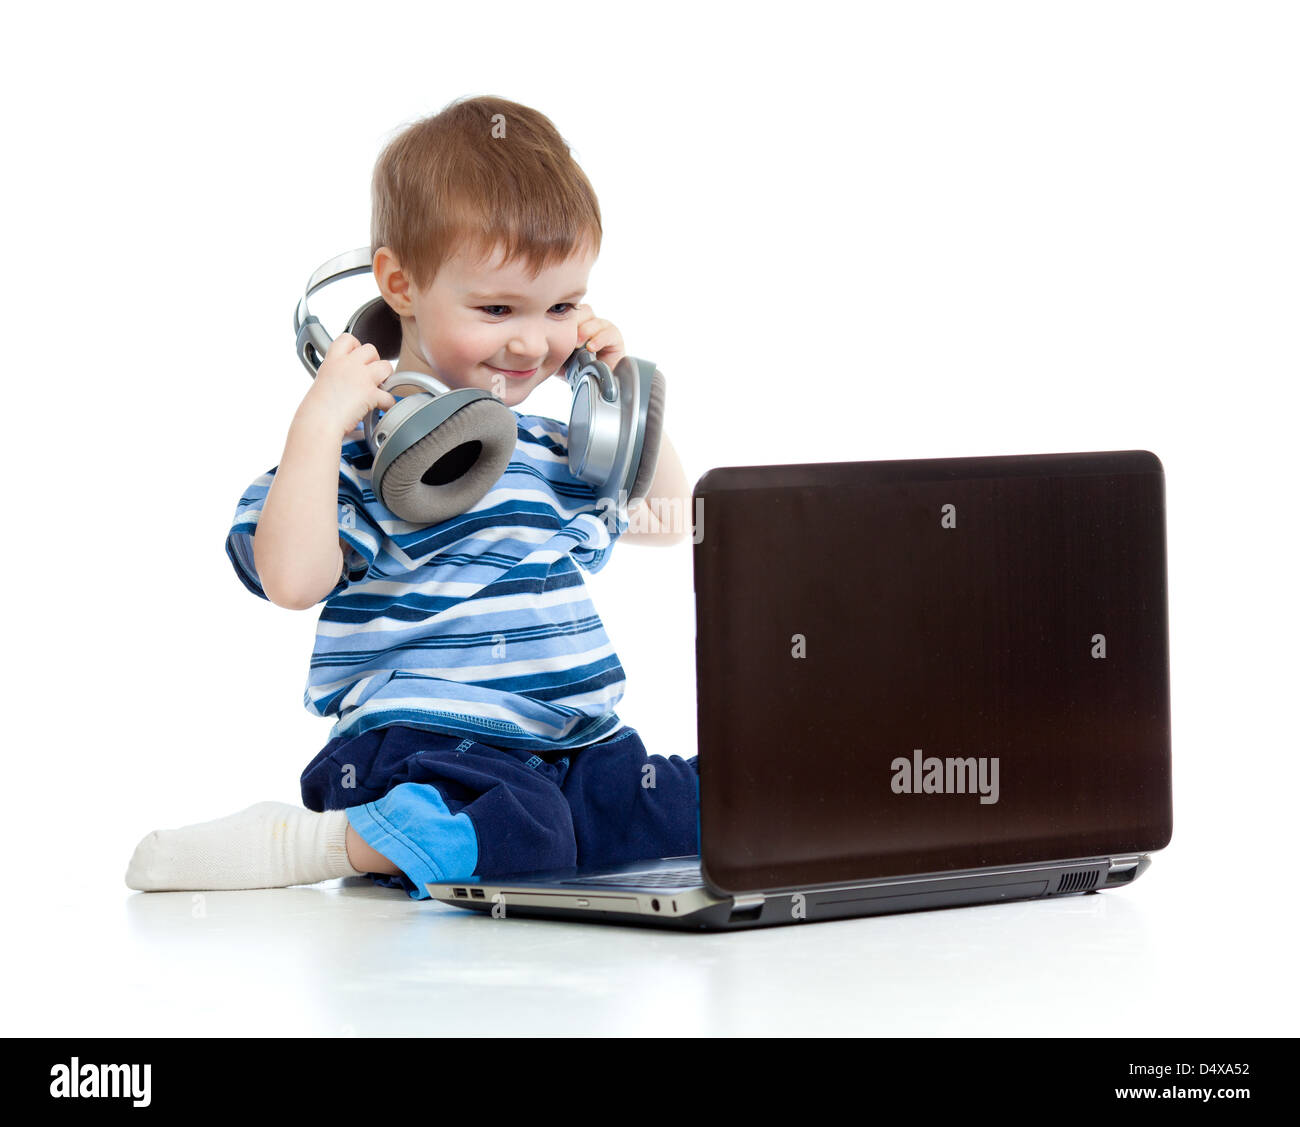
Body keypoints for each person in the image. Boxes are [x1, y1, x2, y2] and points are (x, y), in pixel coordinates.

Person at [125, 95, 698, 900]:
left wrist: (621, 399)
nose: (534, 341)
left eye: (562, 306)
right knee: (525, 830)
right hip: (426, 752)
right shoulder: (359, 462)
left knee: (696, 802)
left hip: (574, 747)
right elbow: (292, 580)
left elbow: (668, 520)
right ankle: (317, 841)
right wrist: (321, 425)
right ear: (401, 282)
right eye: (497, 308)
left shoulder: (548, 454)